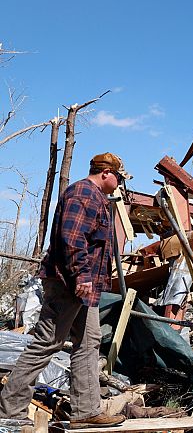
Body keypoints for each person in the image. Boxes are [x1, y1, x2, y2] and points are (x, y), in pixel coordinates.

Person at [0, 153, 131, 429]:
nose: (120, 182)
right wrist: (82, 275)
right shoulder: (84, 193)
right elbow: (71, 239)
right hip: (69, 284)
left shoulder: (96, 197)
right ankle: (10, 408)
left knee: (88, 341)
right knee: (47, 342)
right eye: (119, 177)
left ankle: (86, 412)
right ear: (106, 173)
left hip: (85, 288)